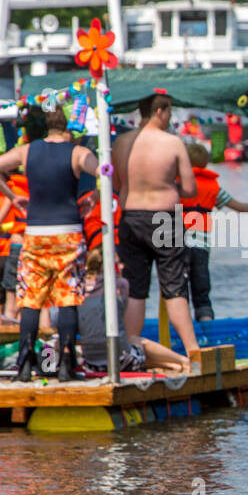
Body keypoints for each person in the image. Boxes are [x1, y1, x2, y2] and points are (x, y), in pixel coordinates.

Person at [0, 104, 97, 381]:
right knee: (67, 300)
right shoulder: (79, 153)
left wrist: (12, 195)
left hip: (36, 232)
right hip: (68, 230)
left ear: (45, 125)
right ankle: (67, 364)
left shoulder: (27, 151)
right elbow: (104, 170)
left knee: (31, 300)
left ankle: (25, 366)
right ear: (67, 126)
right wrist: (95, 197)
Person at [110, 90, 201, 361]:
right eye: (169, 113)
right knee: (174, 287)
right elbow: (189, 189)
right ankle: (193, 351)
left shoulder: (121, 143)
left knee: (136, 289)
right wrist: (167, 184)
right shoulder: (172, 143)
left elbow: (116, 186)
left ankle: (132, 350)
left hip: (131, 217)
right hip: (164, 217)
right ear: (159, 111)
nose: (170, 118)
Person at [181, 142, 248, 321]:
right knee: (202, 295)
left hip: (176, 246)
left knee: (177, 294)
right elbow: (240, 207)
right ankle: (207, 329)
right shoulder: (213, 188)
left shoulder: (176, 184)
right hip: (200, 247)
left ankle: (181, 333)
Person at [77, 246, 190, 375]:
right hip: (120, 362)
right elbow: (122, 317)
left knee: (128, 349)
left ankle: (173, 365)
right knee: (136, 340)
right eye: (118, 263)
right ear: (109, 266)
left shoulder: (79, 289)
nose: (123, 266)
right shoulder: (120, 285)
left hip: (92, 365)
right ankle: (183, 360)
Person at [0, 168, 27, 319]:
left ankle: (9, 342)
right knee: (35, 303)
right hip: (37, 245)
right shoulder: (43, 185)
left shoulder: (13, 189)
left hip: (15, 246)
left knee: (11, 302)